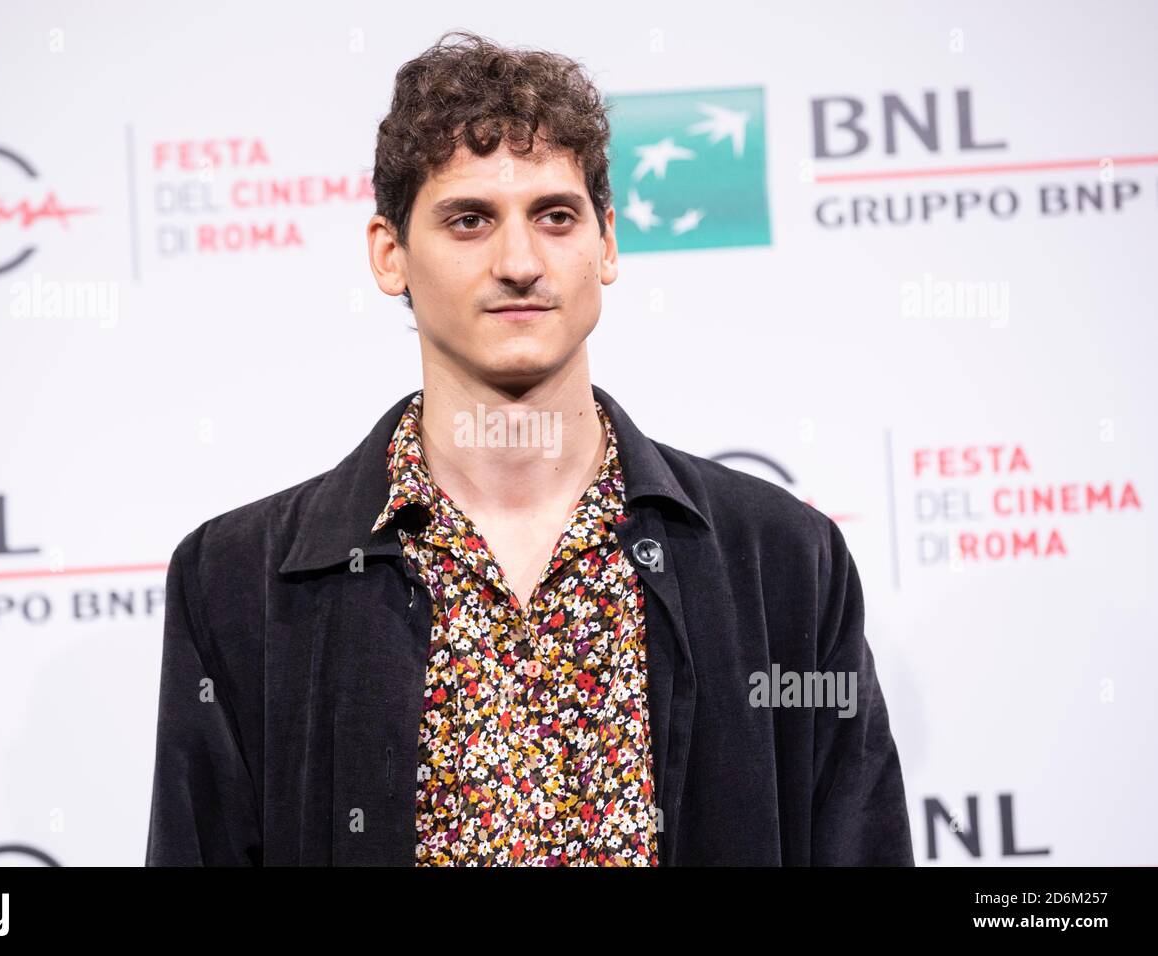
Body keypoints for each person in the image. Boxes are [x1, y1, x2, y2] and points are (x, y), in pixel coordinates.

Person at [145, 30, 913, 866]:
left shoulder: (782, 562)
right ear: (390, 253)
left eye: (554, 216)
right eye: (469, 220)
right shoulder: (237, 583)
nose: (520, 262)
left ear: (607, 241)